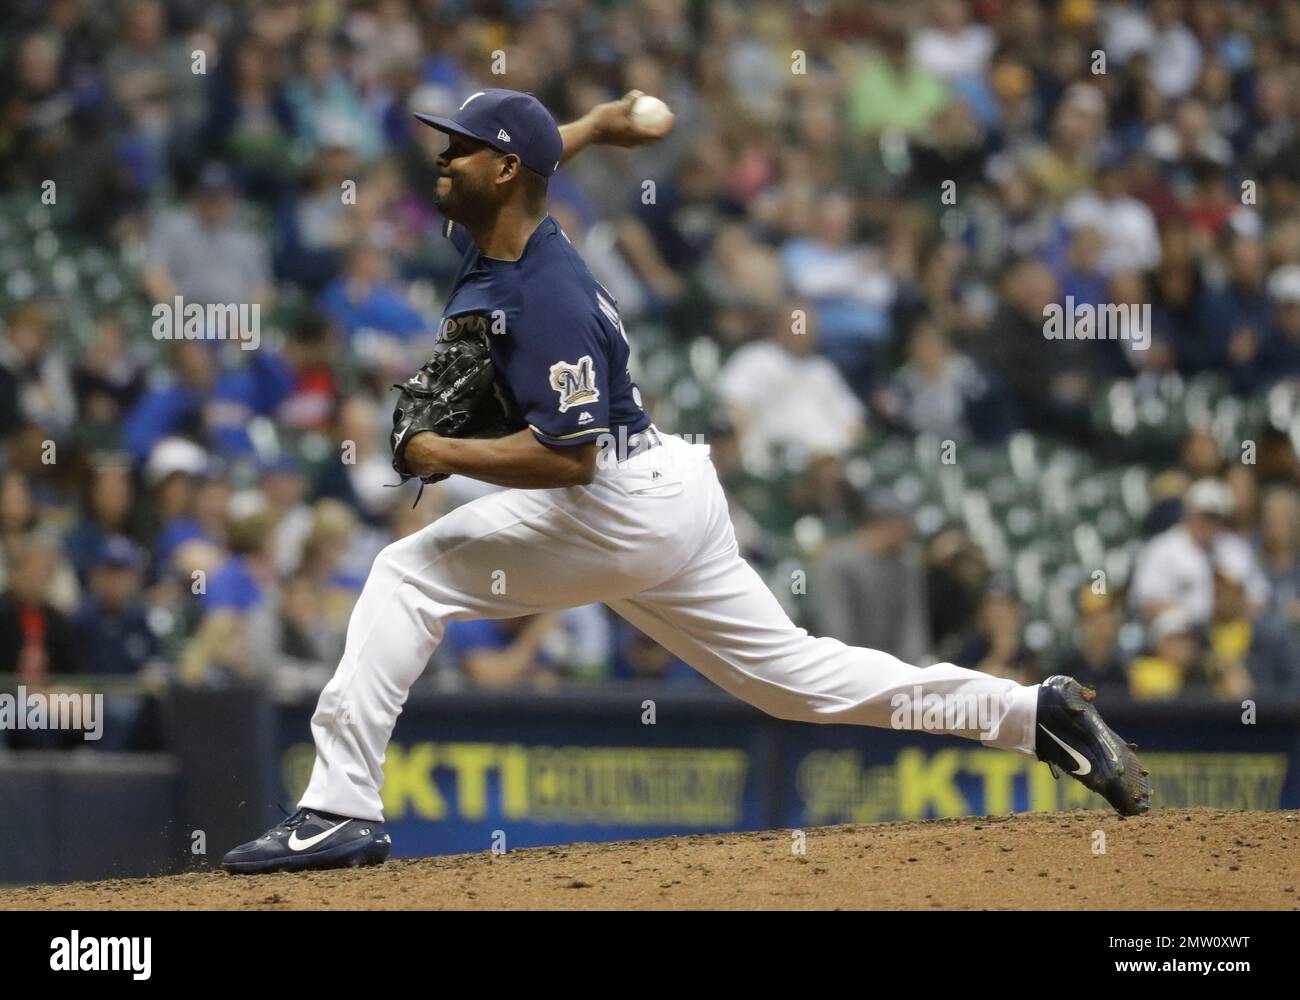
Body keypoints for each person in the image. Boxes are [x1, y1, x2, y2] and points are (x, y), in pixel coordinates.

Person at [222, 89, 1149, 875]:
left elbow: (567, 458)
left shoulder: (543, 297)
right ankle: (1037, 716)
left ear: (503, 172)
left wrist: (444, 455)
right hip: (670, 492)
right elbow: (541, 157)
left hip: (613, 498)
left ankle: (341, 804)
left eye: (459, 147)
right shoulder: (506, 230)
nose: (441, 157)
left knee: (405, 575)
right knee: (794, 682)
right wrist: (601, 121)